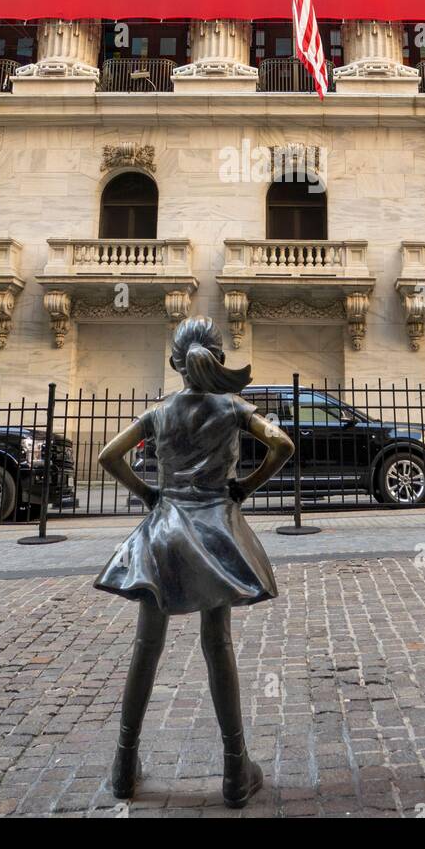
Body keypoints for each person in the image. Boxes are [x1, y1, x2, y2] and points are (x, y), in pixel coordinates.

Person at [95, 317, 294, 808]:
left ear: (174, 363)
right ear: (218, 358)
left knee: (147, 646)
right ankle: (234, 768)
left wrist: (148, 494)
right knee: (217, 644)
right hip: (215, 533)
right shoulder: (232, 406)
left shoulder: (159, 412)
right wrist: (245, 488)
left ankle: (124, 764)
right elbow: (283, 444)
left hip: (164, 534)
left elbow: (108, 456)